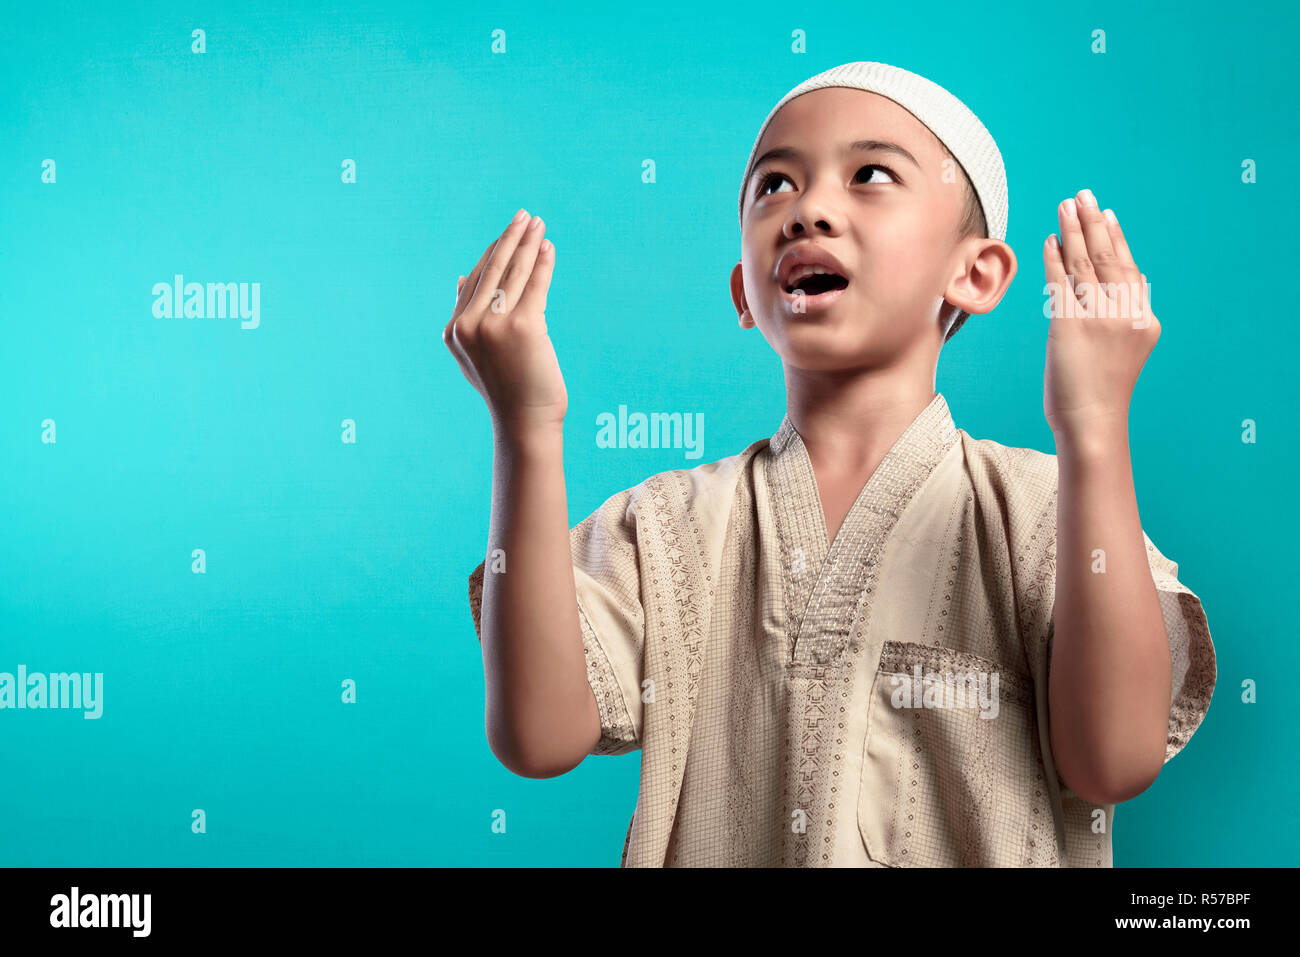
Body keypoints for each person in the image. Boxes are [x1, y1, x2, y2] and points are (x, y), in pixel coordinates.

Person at [445, 61, 1217, 867]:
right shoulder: (663, 526)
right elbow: (539, 736)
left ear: (975, 273)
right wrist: (526, 426)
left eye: (870, 175)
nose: (807, 210)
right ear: (744, 293)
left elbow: (1113, 760)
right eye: (774, 184)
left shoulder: (1045, 511)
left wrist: (1095, 425)